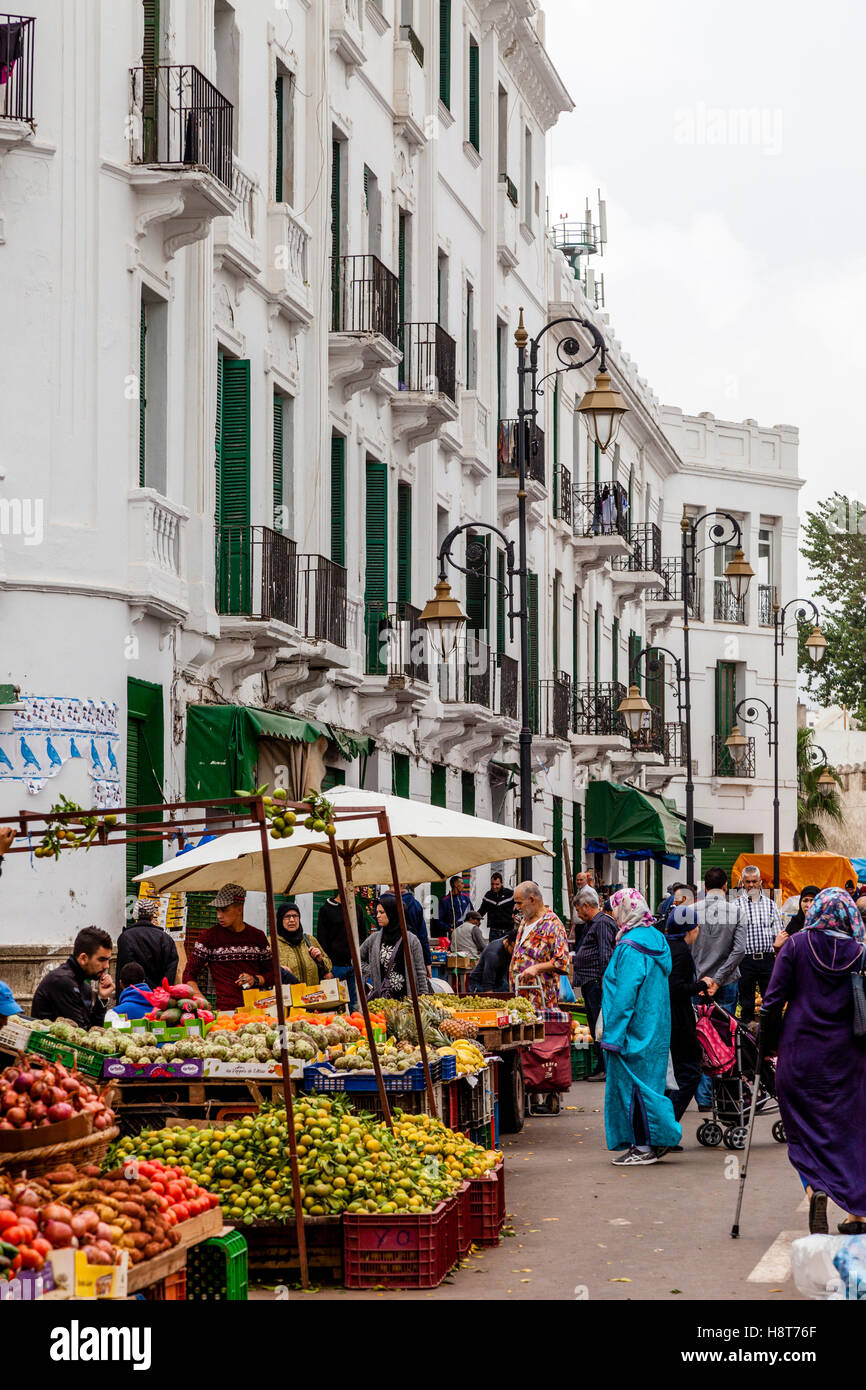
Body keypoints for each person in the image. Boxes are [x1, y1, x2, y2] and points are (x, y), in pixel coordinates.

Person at [760, 887, 866, 1235]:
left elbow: (772, 1002)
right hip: (848, 1057)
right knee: (849, 1130)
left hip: (800, 1054)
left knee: (802, 1127)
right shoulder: (860, 951)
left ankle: (814, 1187)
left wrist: (767, 1047)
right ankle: (857, 1213)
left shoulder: (795, 945)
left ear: (815, 911)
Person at [599, 888, 681, 1165]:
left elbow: (624, 996)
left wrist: (613, 1035)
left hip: (633, 1031)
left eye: (614, 909)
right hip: (656, 1026)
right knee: (652, 1084)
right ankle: (656, 1141)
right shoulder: (656, 938)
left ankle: (643, 1147)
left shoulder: (630, 946)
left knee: (633, 1089)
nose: (613, 914)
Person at [686, 865, 747, 1109]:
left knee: (700, 1037)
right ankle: (725, 1094)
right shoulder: (737, 911)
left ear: (703, 887)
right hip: (727, 982)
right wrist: (719, 978)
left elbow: (685, 948)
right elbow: (740, 949)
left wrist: (703, 980)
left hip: (697, 984)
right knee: (726, 1037)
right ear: (725, 887)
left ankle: (703, 1097)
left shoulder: (689, 911)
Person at [182, 884, 273, 1011]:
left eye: (224, 910)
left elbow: (272, 974)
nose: (219, 915)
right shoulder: (208, 937)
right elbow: (188, 975)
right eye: (218, 910)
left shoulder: (258, 937)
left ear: (240, 909)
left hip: (258, 1009)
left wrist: (255, 980)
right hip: (226, 1012)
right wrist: (200, 999)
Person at [665, 907, 707, 1122]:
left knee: (673, 1077)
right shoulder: (680, 951)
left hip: (669, 1020)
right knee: (690, 1073)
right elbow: (675, 988)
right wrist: (700, 985)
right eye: (696, 926)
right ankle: (666, 1126)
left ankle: (661, 1126)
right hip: (679, 1022)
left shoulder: (667, 945)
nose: (698, 930)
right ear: (688, 930)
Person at [571, 886, 617, 1081]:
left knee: (600, 1027)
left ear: (587, 906)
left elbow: (605, 953)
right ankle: (601, 1065)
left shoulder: (602, 923)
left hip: (596, 982)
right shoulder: (594, 923)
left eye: (579, 910)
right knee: (594, 1024)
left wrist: (603, 982)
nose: (579, 914)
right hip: (591, 982)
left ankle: (605, 1068)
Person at [32, 926, 114, 1027]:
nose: (107, 966)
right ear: (83, 958)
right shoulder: (62, 982)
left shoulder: (84, 986)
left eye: (108, 960)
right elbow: (79, 1035)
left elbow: (92, 1032)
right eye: (102, 960)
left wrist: (102, 998)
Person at [509, 881, 570, 1009]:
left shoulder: (553, 924)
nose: (517, 907)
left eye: (519, 903)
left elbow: (562, 961)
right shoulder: (524, 921)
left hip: (540, 998)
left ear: (532, 899)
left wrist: (536, 968)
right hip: (520, 995)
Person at [738, 864, 784, 1025]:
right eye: (748, 881)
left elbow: (778, 933)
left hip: (767, 960)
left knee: (771, 1002)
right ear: (742, 882)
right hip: (745, 961)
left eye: (754, 881)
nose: (751, 885)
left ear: (760, 882)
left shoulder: (770, 905)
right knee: (746, 1005)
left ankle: (772, 1042)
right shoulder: (736, 906)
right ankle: (747, 1044)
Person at [359, 897, 431, 998]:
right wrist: (372, 971)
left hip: (407, 1001)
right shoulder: (374, 939)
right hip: (383, 1000)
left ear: (393, 913)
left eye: (382, 912)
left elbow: (420, 971)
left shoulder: (411, 940)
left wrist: (424, 995)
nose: (378, 916)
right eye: (377, 912)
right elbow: (356, 959)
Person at [115, 900, 179, 991]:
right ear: (153, 916)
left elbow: (122, 971)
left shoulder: (125, 937)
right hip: (157, 998)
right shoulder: (165, 939)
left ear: (135, 915)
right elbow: (170, 972)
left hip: (133, 996)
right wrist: (160, 993)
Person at [315, 894, 360, 1009]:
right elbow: (322, 941)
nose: (356, 890)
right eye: (354, 887)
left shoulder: (357, 909)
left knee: (355, 1005)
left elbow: (363, 938)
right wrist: (326, 969)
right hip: (335, 968)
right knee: (335, 1005)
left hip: (354, 967)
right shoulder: (326, 910)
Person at [276, 903, 333, 987]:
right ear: (280, 920)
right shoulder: (272, 943)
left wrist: (320, 960)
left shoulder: (309, 940)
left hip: (312, 996)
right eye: (287, 916)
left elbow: (329, 966)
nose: (292, 920)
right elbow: (263, 971)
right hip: (287, 997)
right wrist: (279, 970)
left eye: (295, 916)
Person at [468, 927, 517, 993]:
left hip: (499, 980)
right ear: (512, 943)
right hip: (480, 982)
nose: (515, 954)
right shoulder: (493, 954)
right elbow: (487, 984)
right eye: (513, 951)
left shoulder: (510, 939)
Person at [401, 886, 433, 978]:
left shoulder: (385, 904)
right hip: (413, 953)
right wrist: (427, 961)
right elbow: (423, 936)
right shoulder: (416, 905)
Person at [478, 872, 515, 942]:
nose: (494, 887)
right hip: (493, 932)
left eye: (497, 884)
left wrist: (515, 913)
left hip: (508, 931)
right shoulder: (488, 896)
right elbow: (481, 911)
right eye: (492, 884)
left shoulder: (510, 894)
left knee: (506, 952)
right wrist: (472, 920)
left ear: (502, 883)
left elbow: (519, 906)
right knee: (493, 952)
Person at [437, 875, 473, 939]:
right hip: (454, 934)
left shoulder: (466, 898)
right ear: (455, 884)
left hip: (467, 933)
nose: (463, 886)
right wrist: (449, 929)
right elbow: (439, 920)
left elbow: (472, 914)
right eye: (461, 883)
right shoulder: (445, 901)